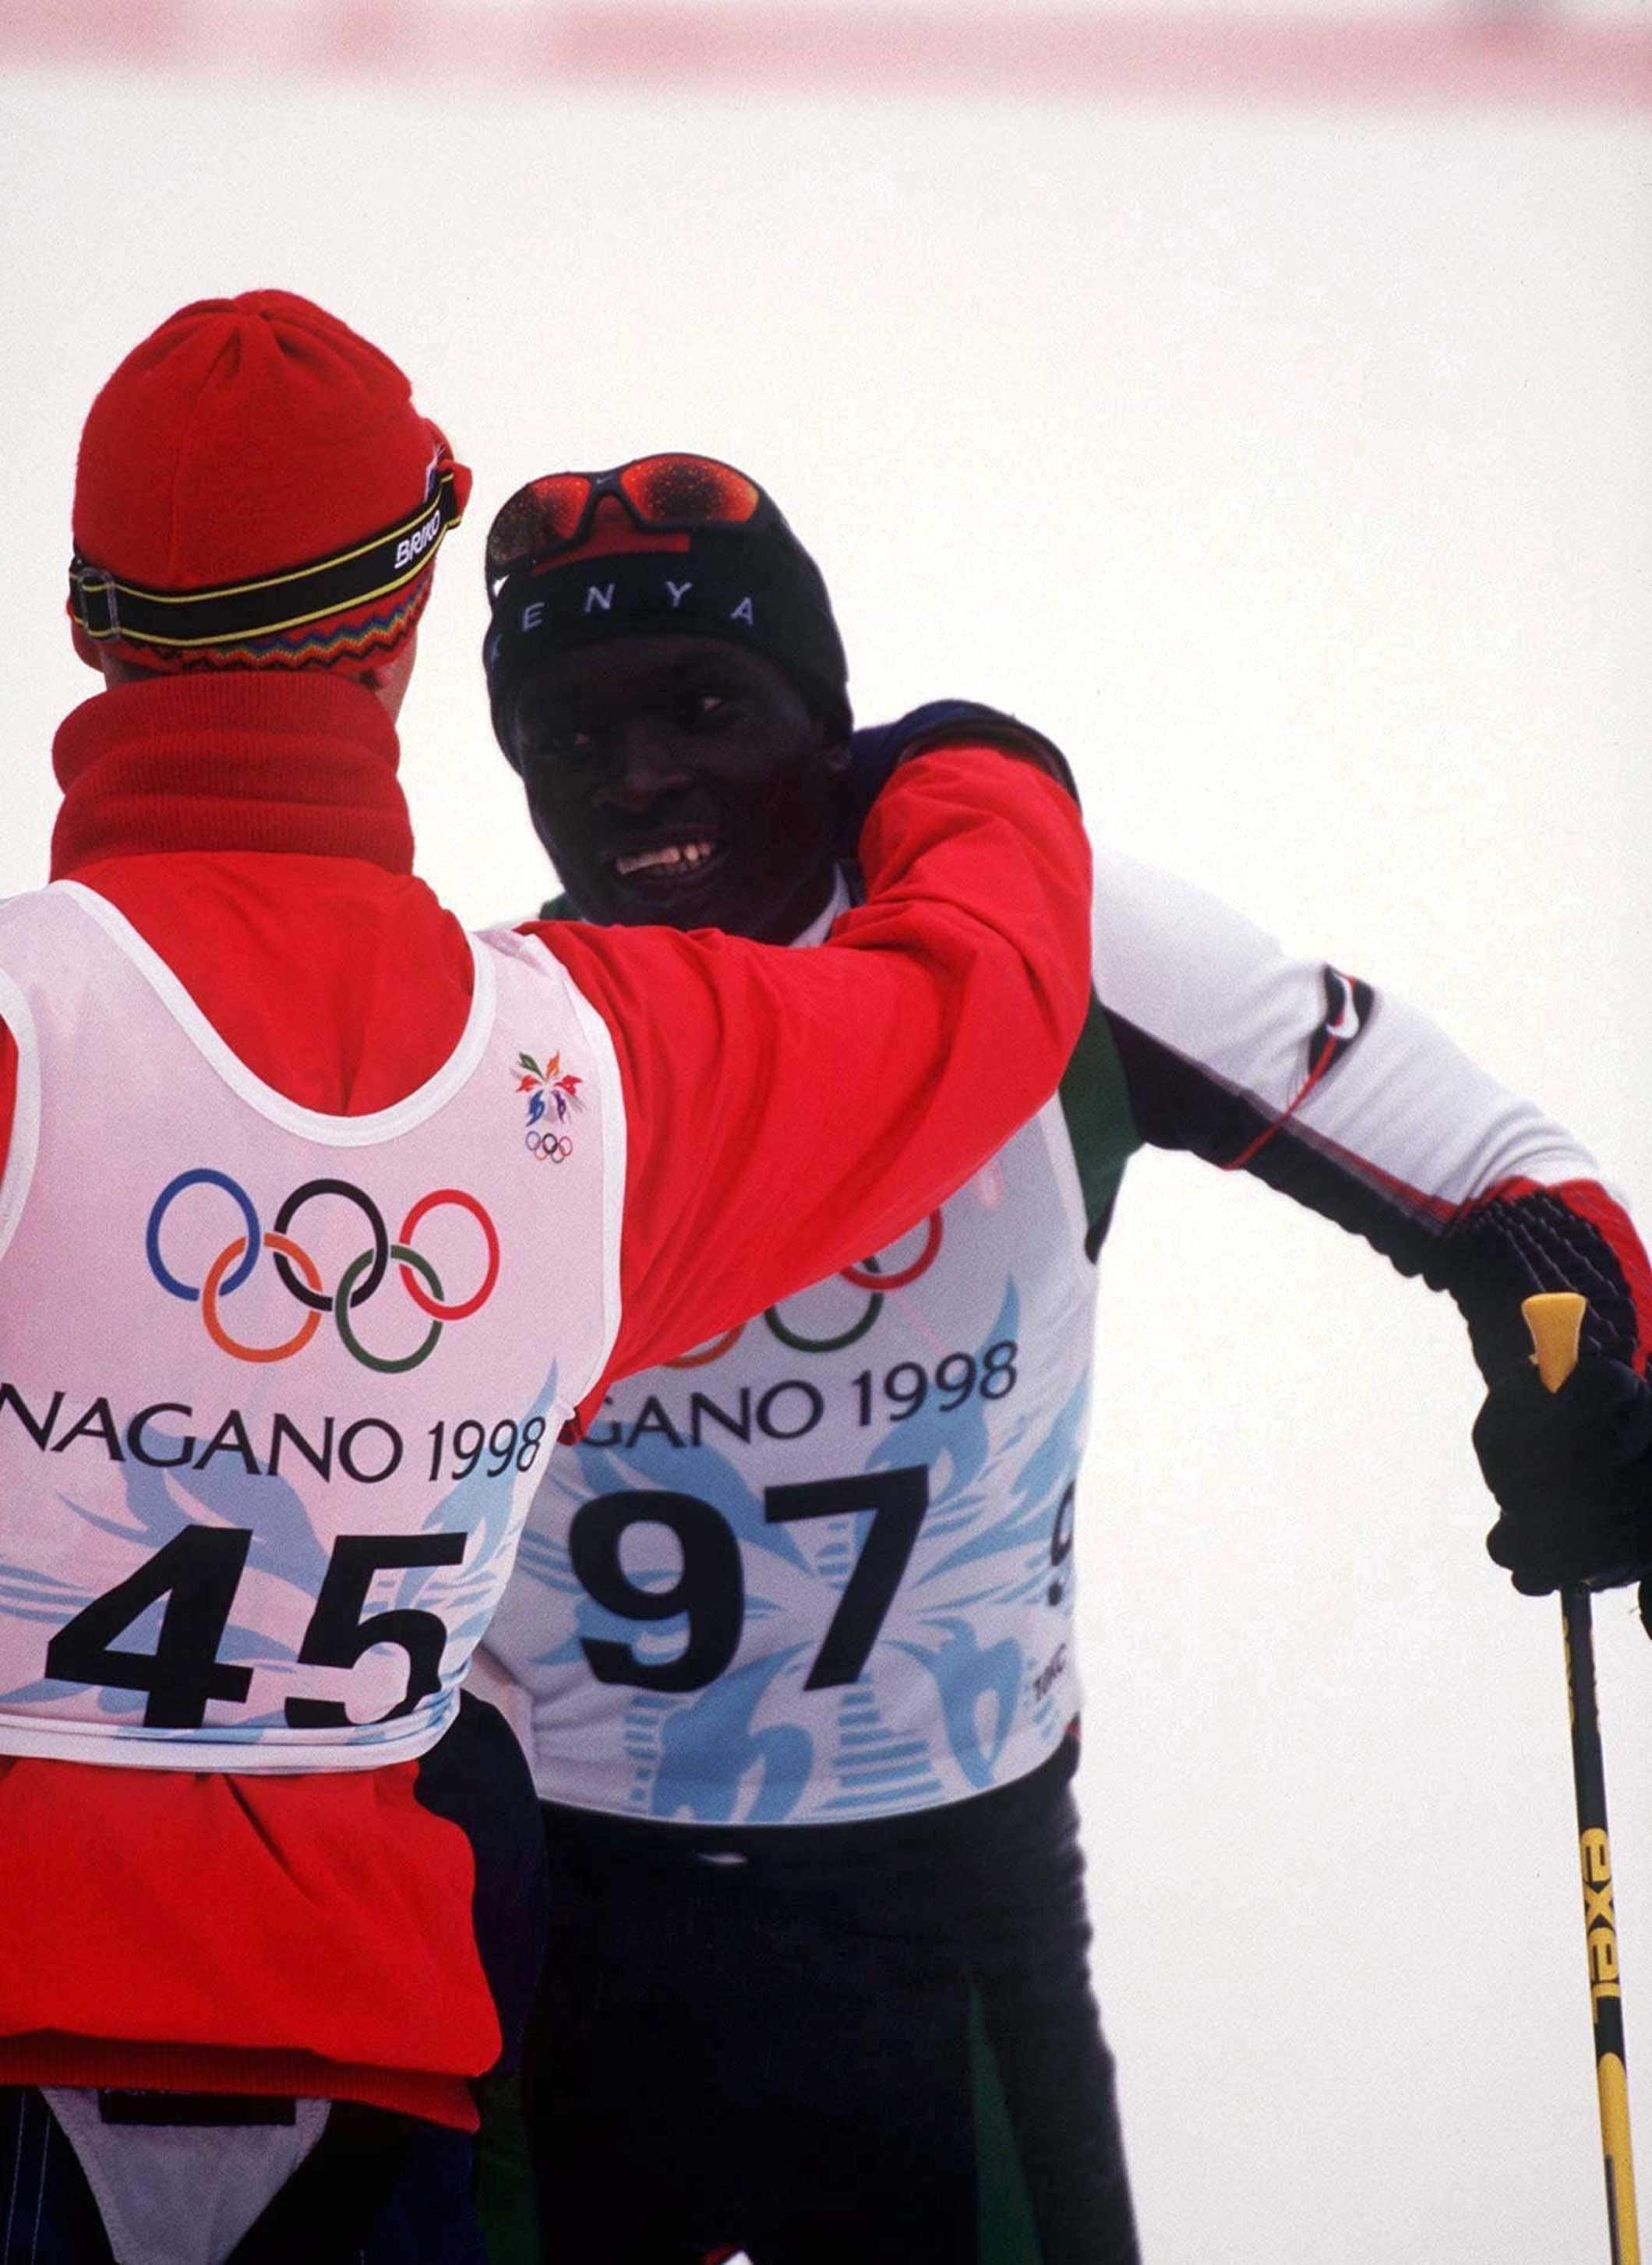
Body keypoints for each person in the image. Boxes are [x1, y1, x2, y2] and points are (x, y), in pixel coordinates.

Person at [472, 454, 1652, 2265]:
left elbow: (1507, 1176)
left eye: (706, 706)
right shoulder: (495, 1031)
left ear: (825, 718)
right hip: (560, 1901)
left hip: (938, 1907)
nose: (638, 782)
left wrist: (1591, 1397)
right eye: (568, 738)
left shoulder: (1055, 953)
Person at [0, 310, 1093, 2265]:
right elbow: (980, 1005)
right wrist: (968, 778)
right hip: (367, 2081)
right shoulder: (595, 1067)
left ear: (92, 626)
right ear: (406, 625)